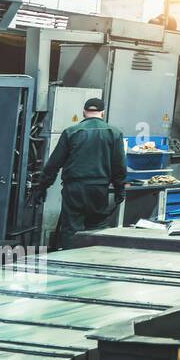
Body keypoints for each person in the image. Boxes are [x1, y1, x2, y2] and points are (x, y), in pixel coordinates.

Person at [36, 97, 126, 249]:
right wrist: (120, 189)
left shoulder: (71, 132)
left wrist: (42, 186)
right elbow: (119, 165)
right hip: (99, 189)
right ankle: (93, 264)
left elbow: (54, 163)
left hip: (74, 189)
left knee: (71, 230)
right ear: (102, 113)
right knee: (97, 229)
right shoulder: (114, 133)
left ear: (84, 112)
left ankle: (69, 265)